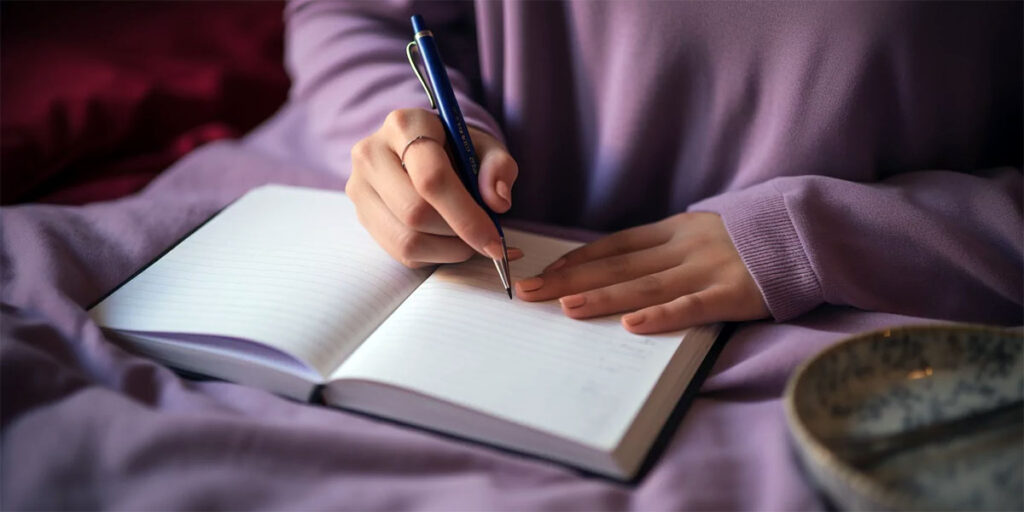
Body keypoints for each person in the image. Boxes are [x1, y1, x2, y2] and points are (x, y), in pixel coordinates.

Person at [285, 1, 1022, 333]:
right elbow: (352, 17)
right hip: (453, 287)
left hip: (867, 343)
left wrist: (820, 238)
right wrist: (425, 142)